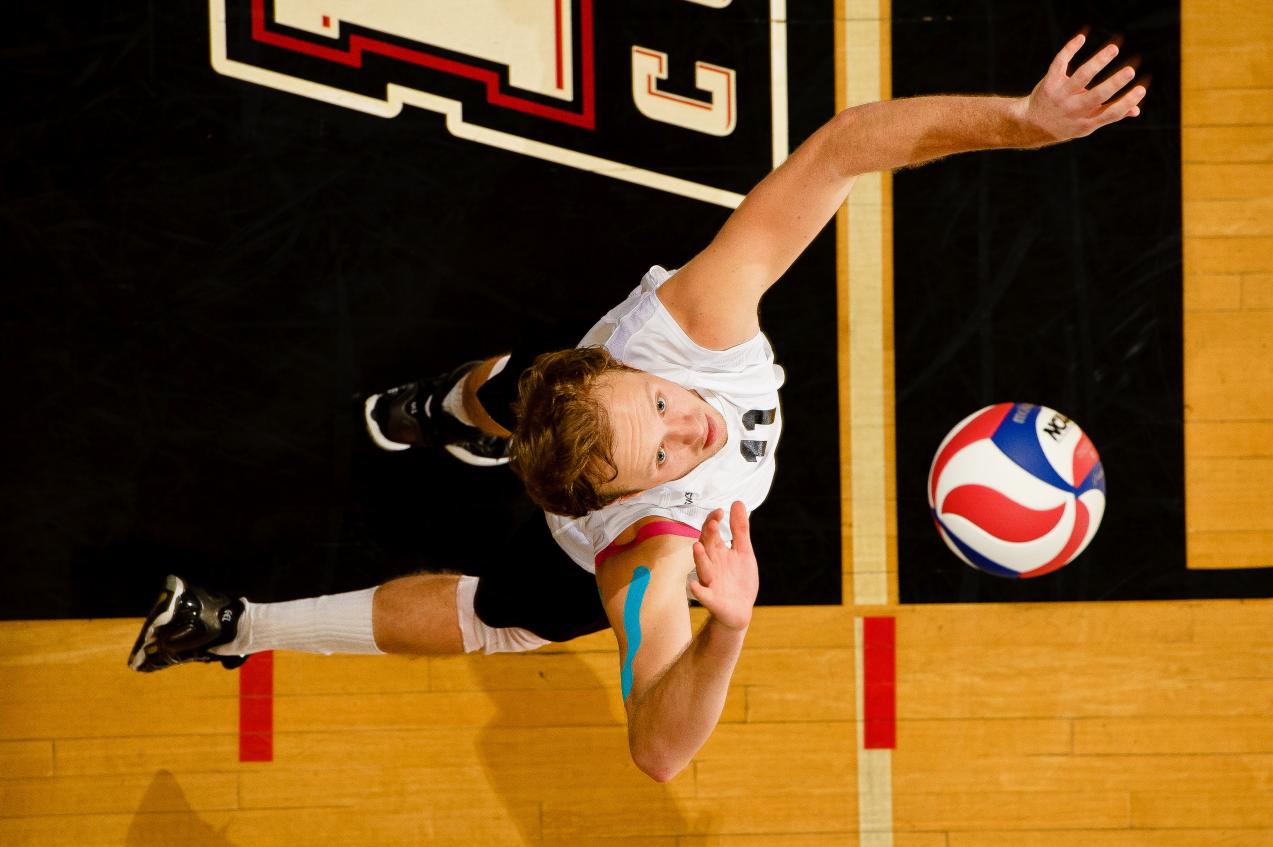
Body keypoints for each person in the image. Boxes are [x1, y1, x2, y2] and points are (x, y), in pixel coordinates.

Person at [128, 34, 1145, 781]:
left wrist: (1022, 121)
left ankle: (314, 545)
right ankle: (309, 549)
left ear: (629, 364)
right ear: (626, 491)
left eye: (658, 406)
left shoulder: (678, 353)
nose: (689, 426)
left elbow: (843, 147)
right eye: (661, 448)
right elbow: (659, 754)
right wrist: (729, 626)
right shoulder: (646, 538)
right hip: (571, 488)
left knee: (503, 498)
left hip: (569, 451)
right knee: (502, 508)